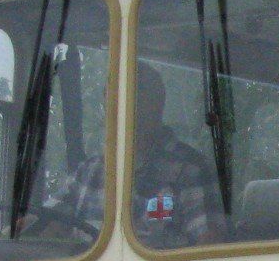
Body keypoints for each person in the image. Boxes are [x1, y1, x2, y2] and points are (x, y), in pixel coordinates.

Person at [50, 64, 219, 249]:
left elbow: (208, 244)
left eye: (136, 94)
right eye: (112, 98)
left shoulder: (190, 169)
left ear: (158, 103)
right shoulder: (89, 171)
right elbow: (46, 222)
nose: (121, 106)